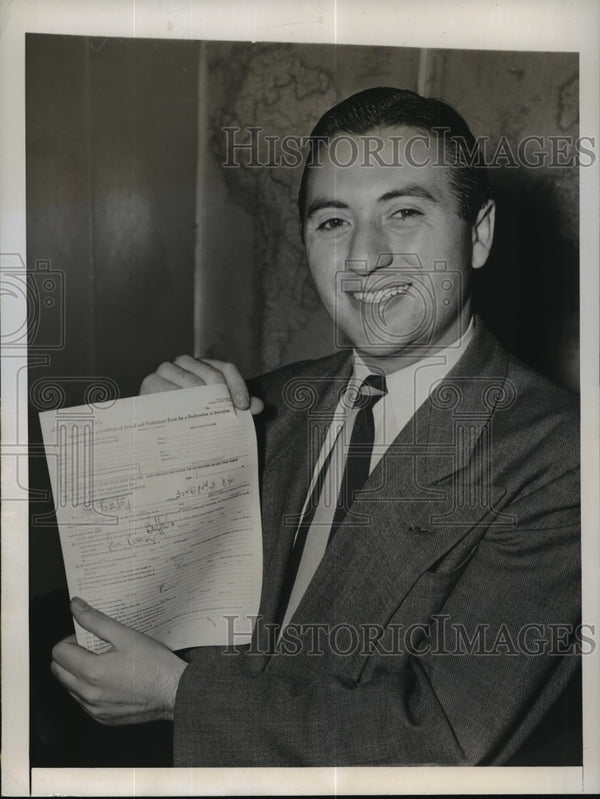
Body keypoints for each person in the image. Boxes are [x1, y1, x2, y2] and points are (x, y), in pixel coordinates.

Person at [50, 87, 581, 766]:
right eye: (333, 221)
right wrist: (159, 456)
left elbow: (442, 737)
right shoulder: (260, 407)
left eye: (404, 212)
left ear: (476, 234)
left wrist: (181, 696)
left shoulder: (560, 455)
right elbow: (134, 642)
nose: (363, 257)